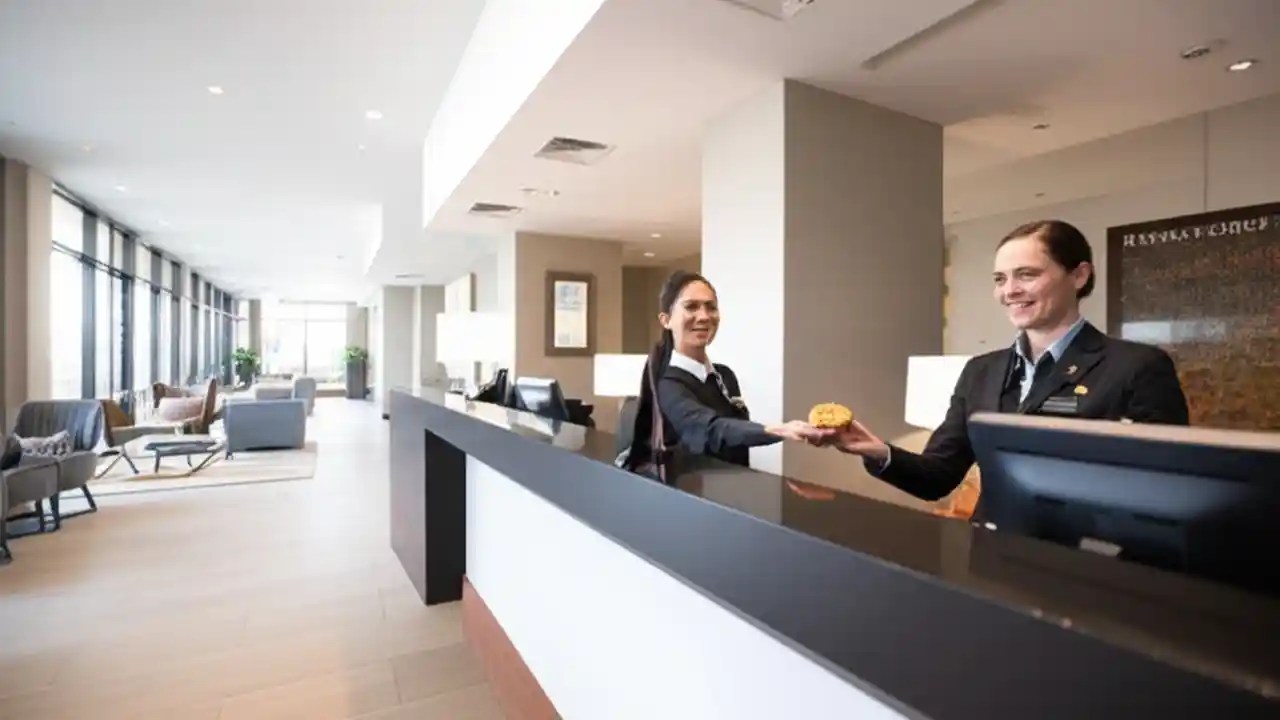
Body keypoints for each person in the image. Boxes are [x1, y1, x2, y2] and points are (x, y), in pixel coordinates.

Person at [824, 219, 1189, 502]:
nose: (1009, 291)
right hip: (991, 558)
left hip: (1088, 567)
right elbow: (937, 476)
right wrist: (876, 452)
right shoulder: (980, 371)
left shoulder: (1138, 367)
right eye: (1000, 278)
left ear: (1079, 275)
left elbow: (1165, 488)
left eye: (1027, 275)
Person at [621, 270, 824, 478]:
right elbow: (711, 430)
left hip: (732, 494)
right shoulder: (667, 383)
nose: (704, 316)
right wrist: (781, 430)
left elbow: (735, 438)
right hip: (689, 501)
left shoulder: (725, 376)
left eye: (711, 307)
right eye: (691, 306)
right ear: (666, 320)